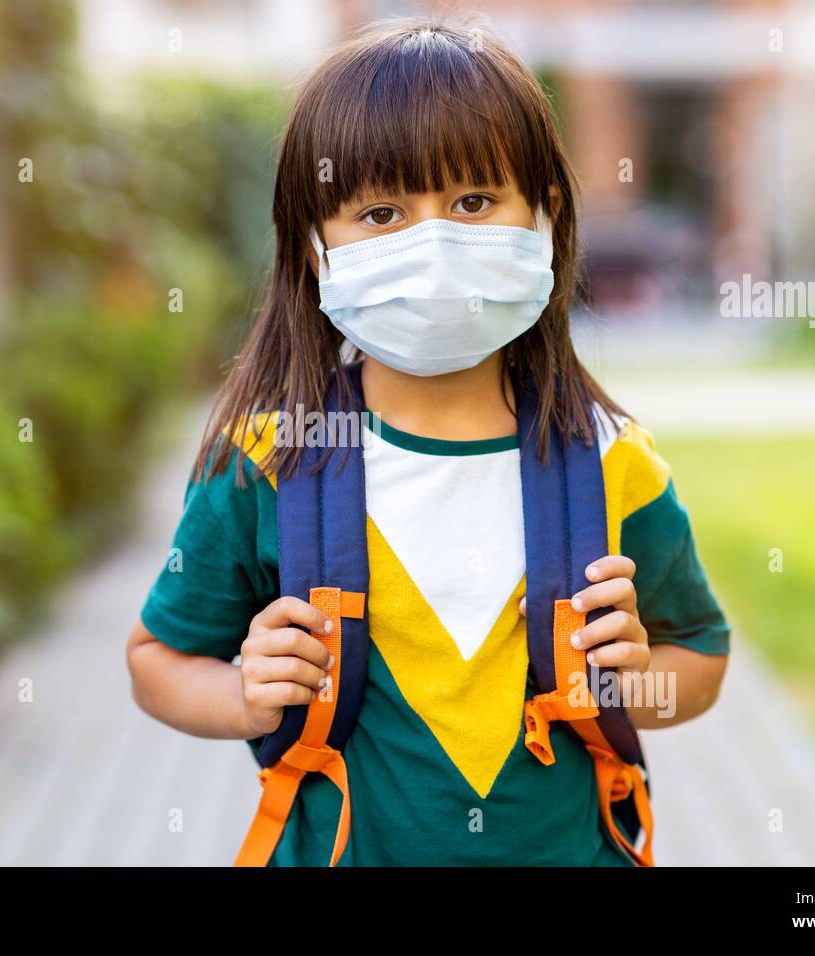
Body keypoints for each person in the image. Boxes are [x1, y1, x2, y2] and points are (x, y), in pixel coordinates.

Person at [126, 19, 730, 866]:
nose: (435, 244)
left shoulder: (612, 462)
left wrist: (634, 681)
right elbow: (157, 659)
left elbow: (700, 653)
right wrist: (242, 696)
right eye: (381, 213)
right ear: (314, 250)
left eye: (474, 203)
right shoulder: (270, 462)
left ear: (546, 219)